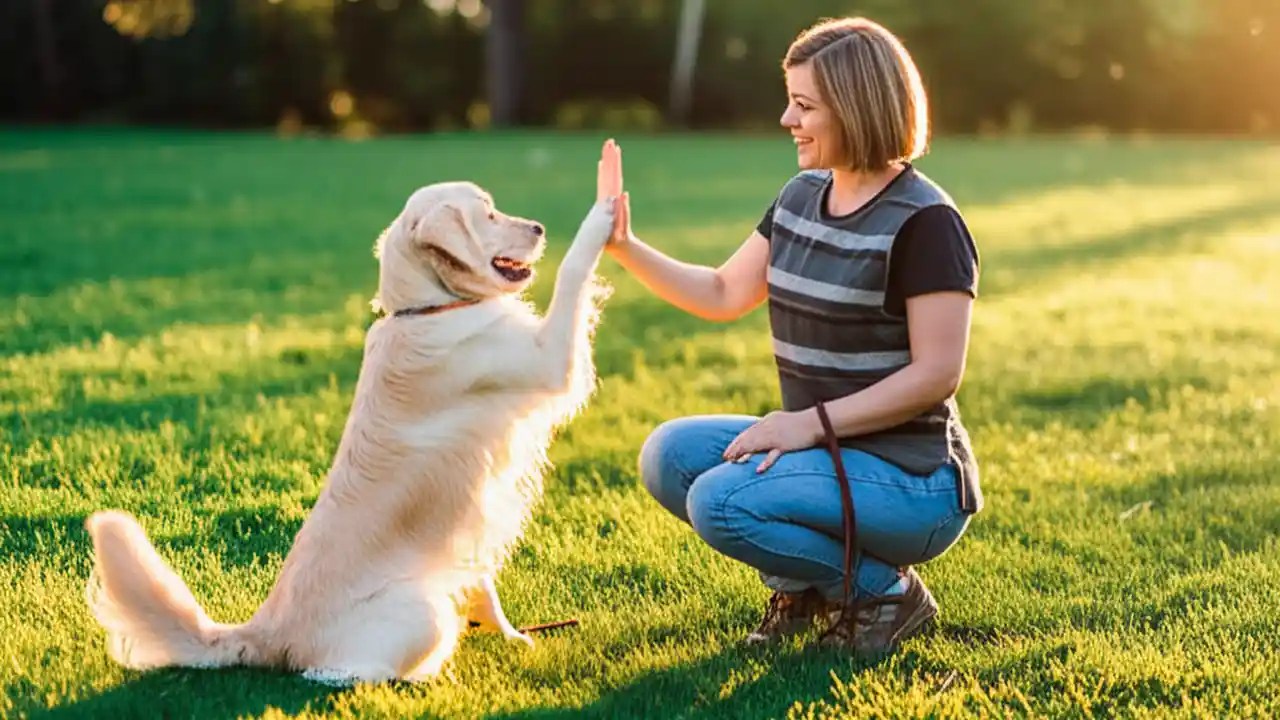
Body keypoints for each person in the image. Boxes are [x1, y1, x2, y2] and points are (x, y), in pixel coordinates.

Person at [595, 16, 984, 654]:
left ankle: (881, 592)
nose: (786, 120)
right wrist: (625, 247)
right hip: (828, 453)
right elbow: (723, 293)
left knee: (720, 501)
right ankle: (812, 590)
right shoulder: (802, 195)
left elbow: (937, 372)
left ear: (857, 110)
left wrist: (806, 425)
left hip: (914, 481)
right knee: (669, 456)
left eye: (804, 106)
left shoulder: (927, 222)